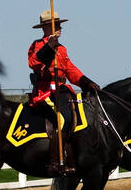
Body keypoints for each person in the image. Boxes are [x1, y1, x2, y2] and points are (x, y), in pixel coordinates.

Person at [28, 10, 100, 174]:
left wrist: (87, 82)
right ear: (47, 27)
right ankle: (54, 162)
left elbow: (71, 70)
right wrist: (47, 48)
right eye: (57, 25)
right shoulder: (37, 45)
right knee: (62, 120)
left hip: (63, 90)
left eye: (60, 24)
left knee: (83, 117)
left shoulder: (62, 49)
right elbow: (34, 64)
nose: (60, 27)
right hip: (45, 90)